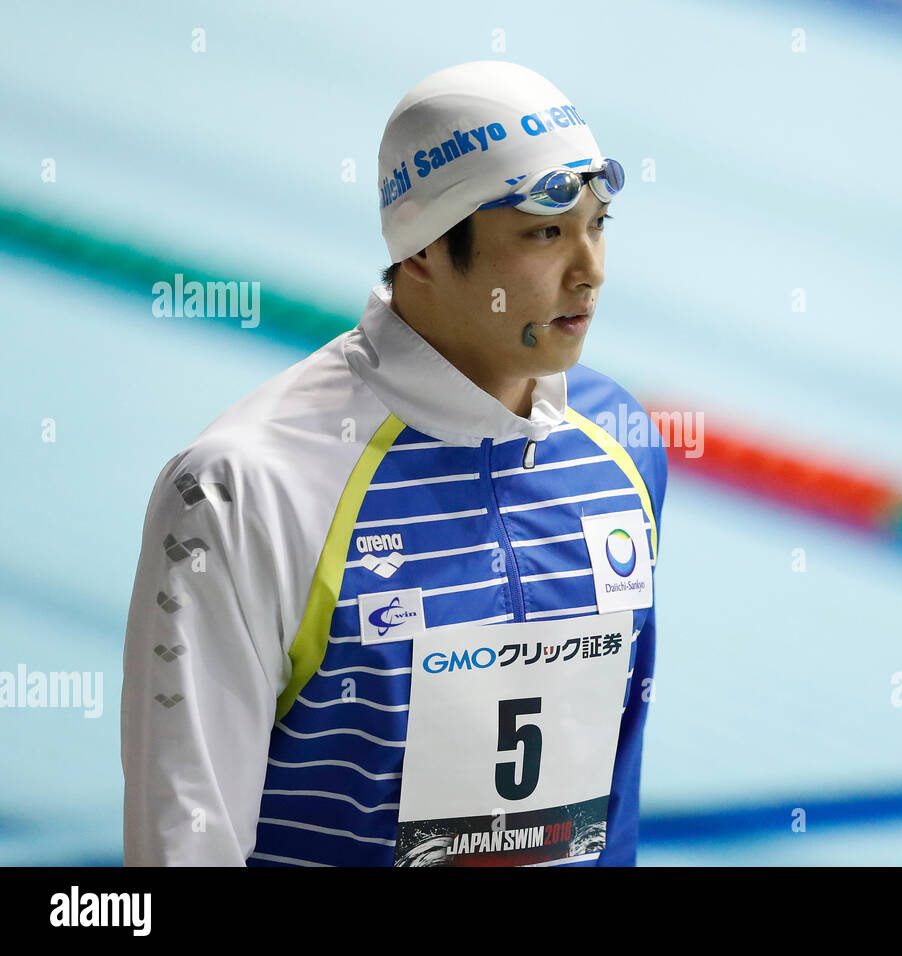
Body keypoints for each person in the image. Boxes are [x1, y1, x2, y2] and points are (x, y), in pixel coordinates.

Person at [121, 60, 667, 867]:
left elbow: (608, 801)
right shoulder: (248, 489)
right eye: (546, 232)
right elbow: (187, 846)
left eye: (598, 224)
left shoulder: (621, 446)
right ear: (421, 253)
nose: (591, 269)